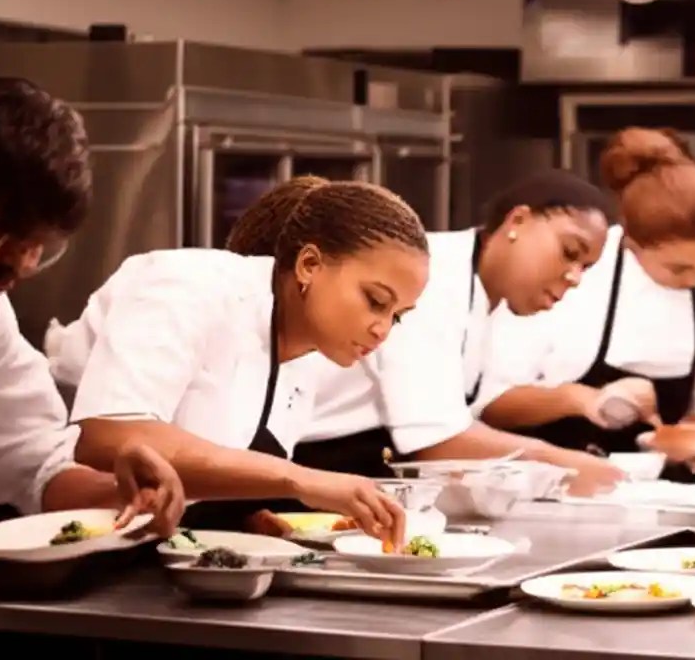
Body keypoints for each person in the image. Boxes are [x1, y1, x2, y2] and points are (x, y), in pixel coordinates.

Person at [47, 178, 433, 544]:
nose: (383, 329)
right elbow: (106, 435)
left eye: (397, 315)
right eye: (376, 302)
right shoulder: (185, 284)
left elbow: (203, 476)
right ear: (309, 265)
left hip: (142, 550)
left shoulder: (305, 354)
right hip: (47, 542)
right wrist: (302, 480)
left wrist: (243, 519)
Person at [225, 173, 626, 494]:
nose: (574, 277)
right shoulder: (432, 277)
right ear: (517, 221)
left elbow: (474, 410)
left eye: (586, 268)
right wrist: (566, 465)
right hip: (301, 468)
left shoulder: (484, 298)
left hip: (343, 478)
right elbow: (436, 441)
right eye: (570, 252)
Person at [0, 74, 184, 541]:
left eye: (41, 244)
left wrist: (125, 495)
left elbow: (35, 460)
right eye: (6, 228)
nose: (23, 262)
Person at [479, 128, 695, 482]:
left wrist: (692, 435)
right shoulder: (578, 271)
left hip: (671, 488)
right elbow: (492, 405)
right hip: (559, 482)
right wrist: (585, 399)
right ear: (631, 243)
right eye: (678, 268)